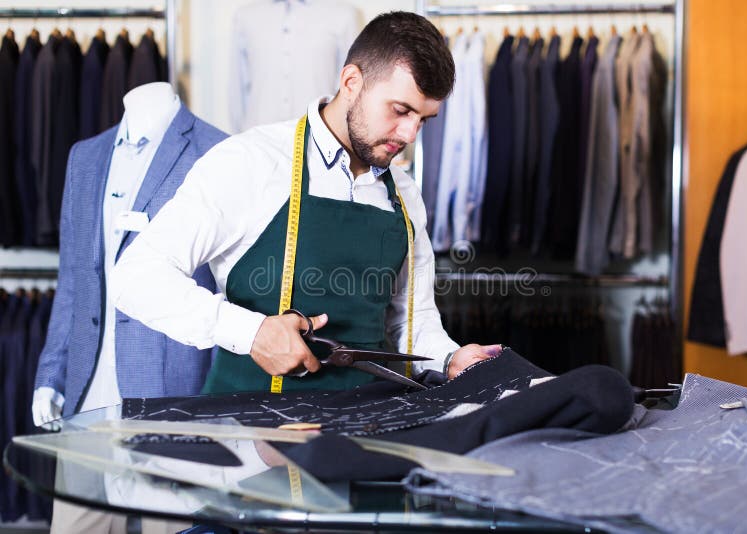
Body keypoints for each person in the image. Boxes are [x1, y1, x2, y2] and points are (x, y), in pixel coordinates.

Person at [113, 12, 500, 394]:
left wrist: (450, 359)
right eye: (400, 111)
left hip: (368, 433)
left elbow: (410, 323)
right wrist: (251, 332)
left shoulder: (405, 196)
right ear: (351, 81)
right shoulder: (250, 162)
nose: (410, 134)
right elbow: (135, 277)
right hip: (251, 436)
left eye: (424, 120)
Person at [31, 82, 226, 534]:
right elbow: (74, 279)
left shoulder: (217, 152)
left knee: (172, 530)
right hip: (87, 399)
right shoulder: (86, 157)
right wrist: (51, 374)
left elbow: (227, 289)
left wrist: (219, 408)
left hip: (174, 401)